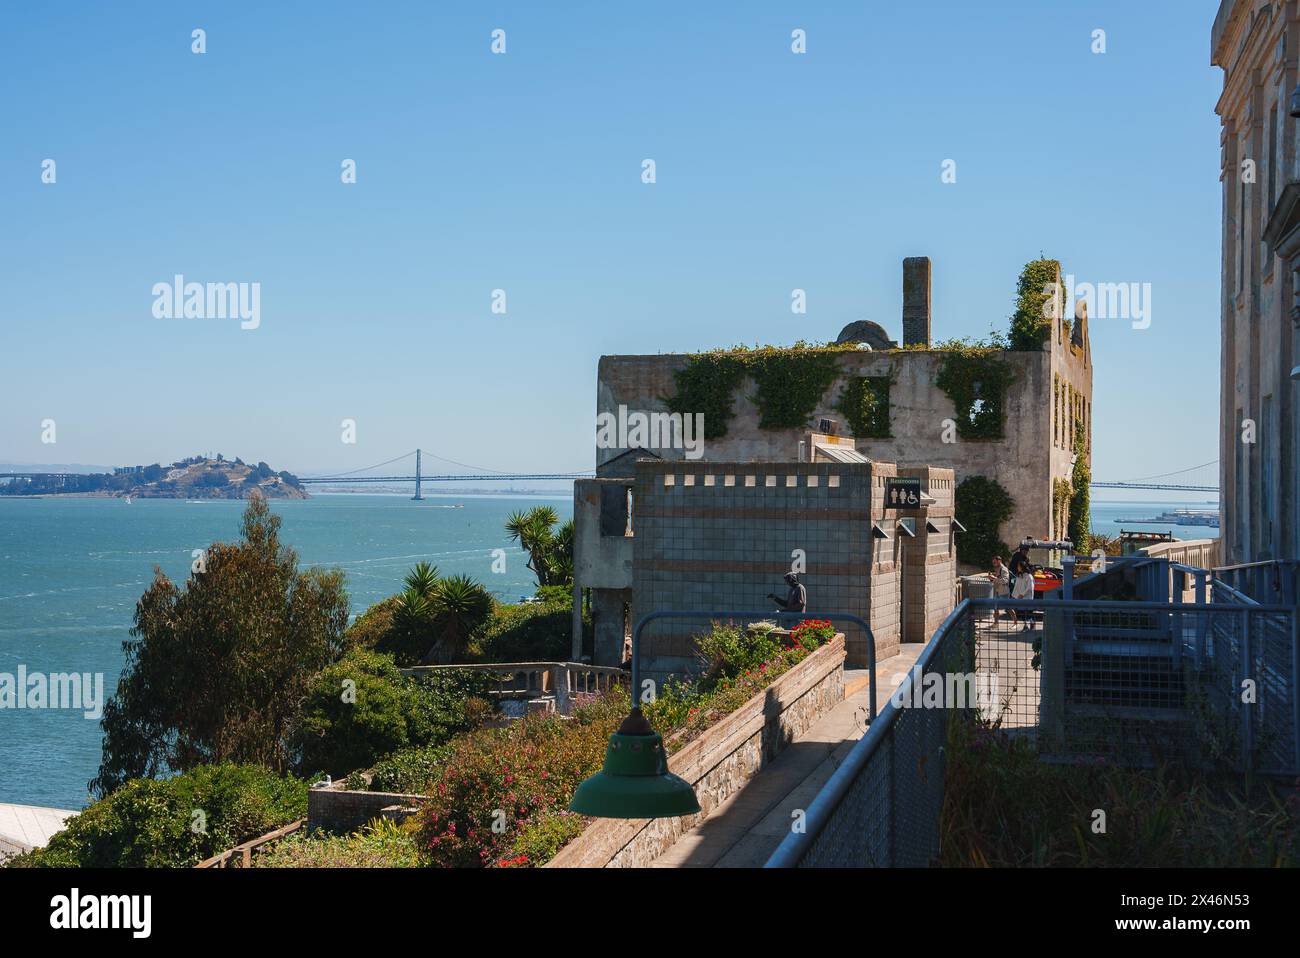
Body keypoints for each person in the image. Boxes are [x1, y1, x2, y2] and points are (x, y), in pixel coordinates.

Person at [1008, 544, 1034, 631]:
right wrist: (1014, 595)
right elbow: (1017, 586)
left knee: (1026, 612)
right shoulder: (1019, 576)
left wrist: (1022, 594)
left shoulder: (1028, 577)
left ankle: (1029, 624)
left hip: (1026, 597)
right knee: (1022, 612)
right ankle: (1027, 625)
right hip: (1020, 597)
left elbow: (1029, 588)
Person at [988, 555, 1016, 624]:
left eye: (995, 562)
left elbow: (1005, 581)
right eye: (993, 562)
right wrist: (993, 578)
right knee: (996, 607)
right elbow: (999, 579)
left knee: (1008, 608)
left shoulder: (1003, 569)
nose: (993, 564)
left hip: (1004, 592)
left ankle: (1015, 622)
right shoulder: (998, 568)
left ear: (999, 561)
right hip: (998, 591)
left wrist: (994, 578)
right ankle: (996, 623)